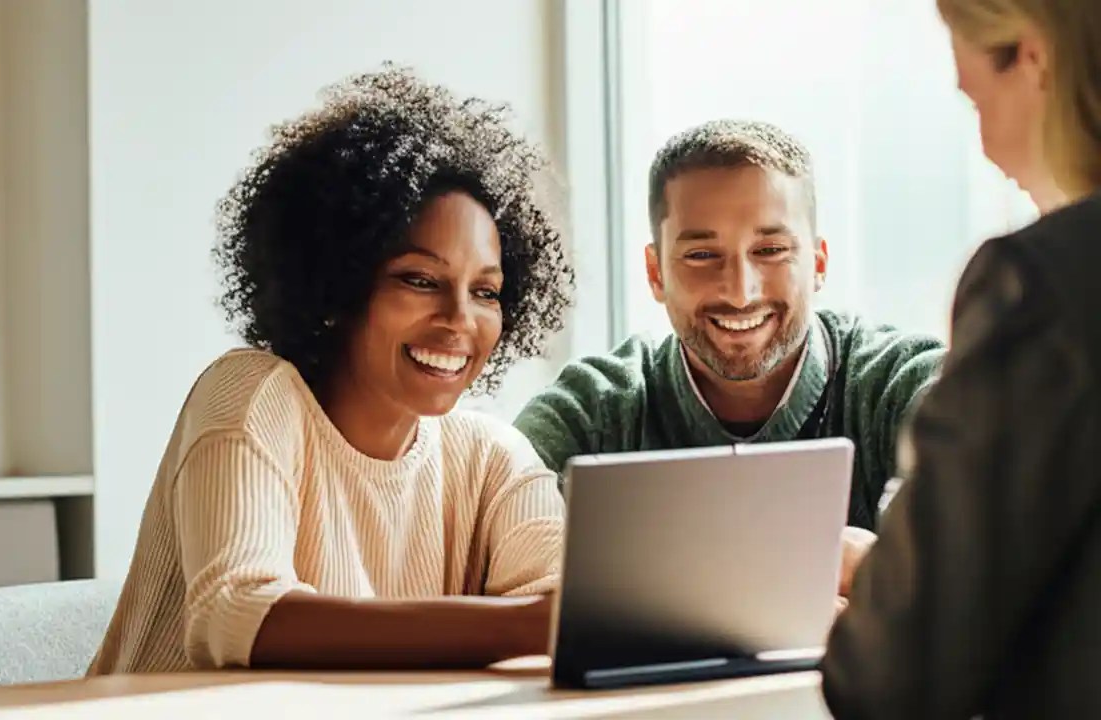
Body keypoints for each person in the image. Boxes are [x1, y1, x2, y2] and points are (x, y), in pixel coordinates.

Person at [87, 66, 576, 675]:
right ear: (337, 286)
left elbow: (572, 614)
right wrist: (524, 625)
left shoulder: (493, 458)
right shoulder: (253, 396)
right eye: (419, 280)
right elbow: (237, 615)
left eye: (485, 292)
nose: (459, 318)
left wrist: (556, 621)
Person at [513, 119, 945, 592]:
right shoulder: (588, 414)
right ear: (655, 273)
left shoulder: (909, 388)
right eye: (702, 255)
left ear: (818, 263)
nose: (740, 292)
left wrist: (876, 569)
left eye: (771, 250)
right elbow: (494, 580)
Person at [822, 0, 1101, 717]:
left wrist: (885, 575)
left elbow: (894, 675)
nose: (986, 148)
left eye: (977, 100)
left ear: (1035, 58)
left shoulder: (1043, 285)